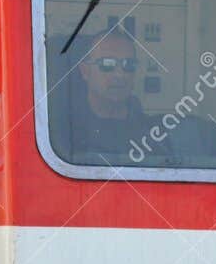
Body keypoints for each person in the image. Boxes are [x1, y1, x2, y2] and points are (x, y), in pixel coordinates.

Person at [49, 28, 155, 166]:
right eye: (107, 64)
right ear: (85, 71)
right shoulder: (61, 133)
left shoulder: (151, 134)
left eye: (128, 65)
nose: (120, 75)